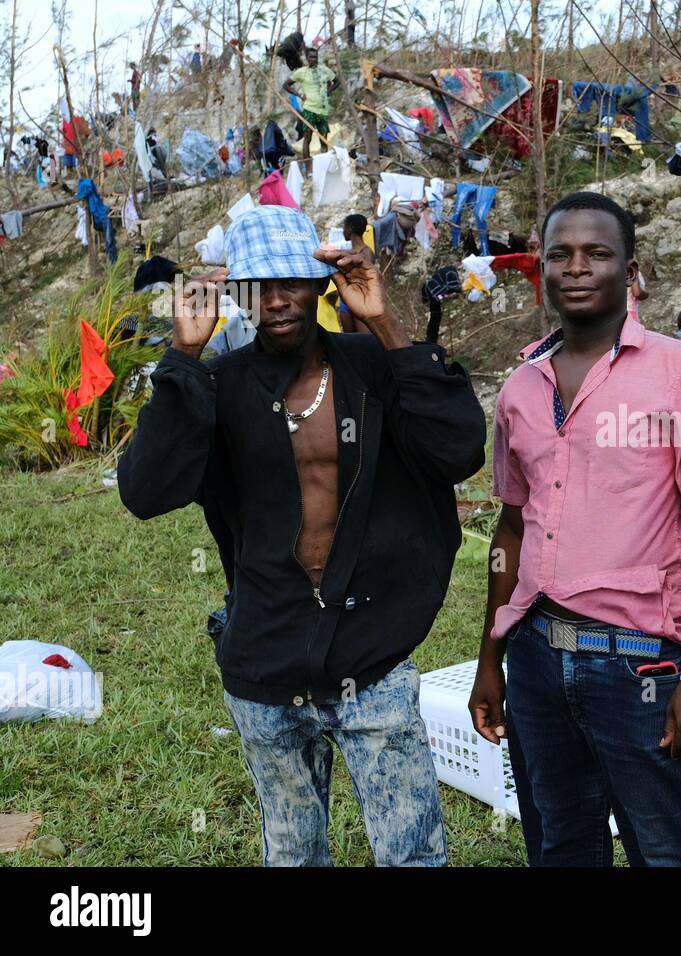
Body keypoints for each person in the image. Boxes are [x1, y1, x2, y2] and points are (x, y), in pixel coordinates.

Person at [117, 205, 487, 866]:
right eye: (258, 286)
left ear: (321, 285)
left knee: (411, 853)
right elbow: (147, 493)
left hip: (372, 657)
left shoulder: (373, 368)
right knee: (292, 853)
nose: (278, 299)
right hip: (266, 656)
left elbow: (458, 450)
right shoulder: (219, 385)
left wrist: (385, 322)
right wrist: (182, 355)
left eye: (292, 281)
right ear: (238, 295)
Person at [469, 191, 681, 867]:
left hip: (641, 666)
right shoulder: (521, 389)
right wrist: (490, 658)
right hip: (536, 654)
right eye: (559, 255)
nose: (575, 268)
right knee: (561, 842)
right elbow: (511, 530)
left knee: (668, 848)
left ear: (630, 270)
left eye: (596, 253)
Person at [283, 46, 339, 159]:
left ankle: (325, 164)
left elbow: (337, 82)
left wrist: (328, 92)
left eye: (315, 57)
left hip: (322, 110)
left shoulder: (325, 70)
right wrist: (299, 95)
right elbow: (286, 85)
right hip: (309, 110)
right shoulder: (301, 72)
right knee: (307, 138)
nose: (313, 59)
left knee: (324, 139)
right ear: (307, 59)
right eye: (311, 57)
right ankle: (308, 168)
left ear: (317, 58)